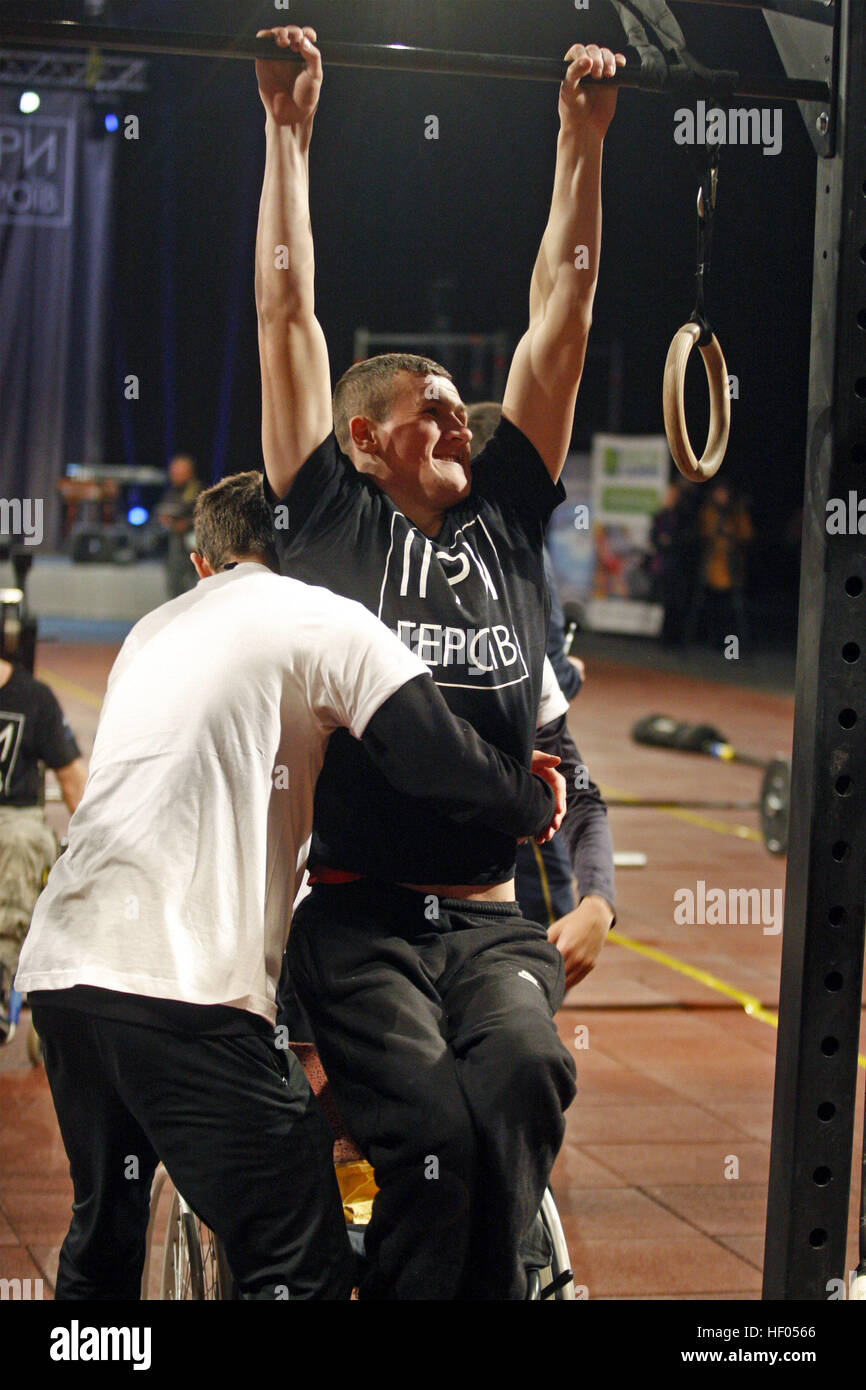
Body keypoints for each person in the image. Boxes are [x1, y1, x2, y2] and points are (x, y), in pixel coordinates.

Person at [254, 24, 623, 1299]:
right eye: (431, 406)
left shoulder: (505, 517)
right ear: (363, 437)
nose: (462, 411)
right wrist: (286, 131)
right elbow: (285, 307)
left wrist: (578, 145)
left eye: (464, 400)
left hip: (487, 920)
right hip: (357, 921)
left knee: (520, 1083)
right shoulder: (330, 518)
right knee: (429, 1136)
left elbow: (559, 316)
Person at [15, 471, 562, 1302]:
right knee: (297, 1262)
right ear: (309, 548)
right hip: (181, 985)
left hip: (63, 968)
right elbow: (438, 757)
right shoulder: (326, 616)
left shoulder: (153, 629)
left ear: (203, 564)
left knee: (103, 1236)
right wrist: (533, 799)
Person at [465, 403, 611, 948]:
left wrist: (598, 903)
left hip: (519, 807)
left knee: (536, 958)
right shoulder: (503, 560)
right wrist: (570, 674)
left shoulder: (515, 562)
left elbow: (578, 789)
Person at [0, 655, 86, 1042]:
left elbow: (71, 780)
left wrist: (94, 845)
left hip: (14, 817)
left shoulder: (34, 698)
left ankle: (1, 978)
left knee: (19, 842)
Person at [157, 453, 202, 598]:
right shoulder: (172, 492)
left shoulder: (199, 491)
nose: (174, 475)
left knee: (191, 581)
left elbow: (204, 515)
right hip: (175, 543)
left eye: (178, 472)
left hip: (194, 545)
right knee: (174, 582)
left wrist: (187, 523)